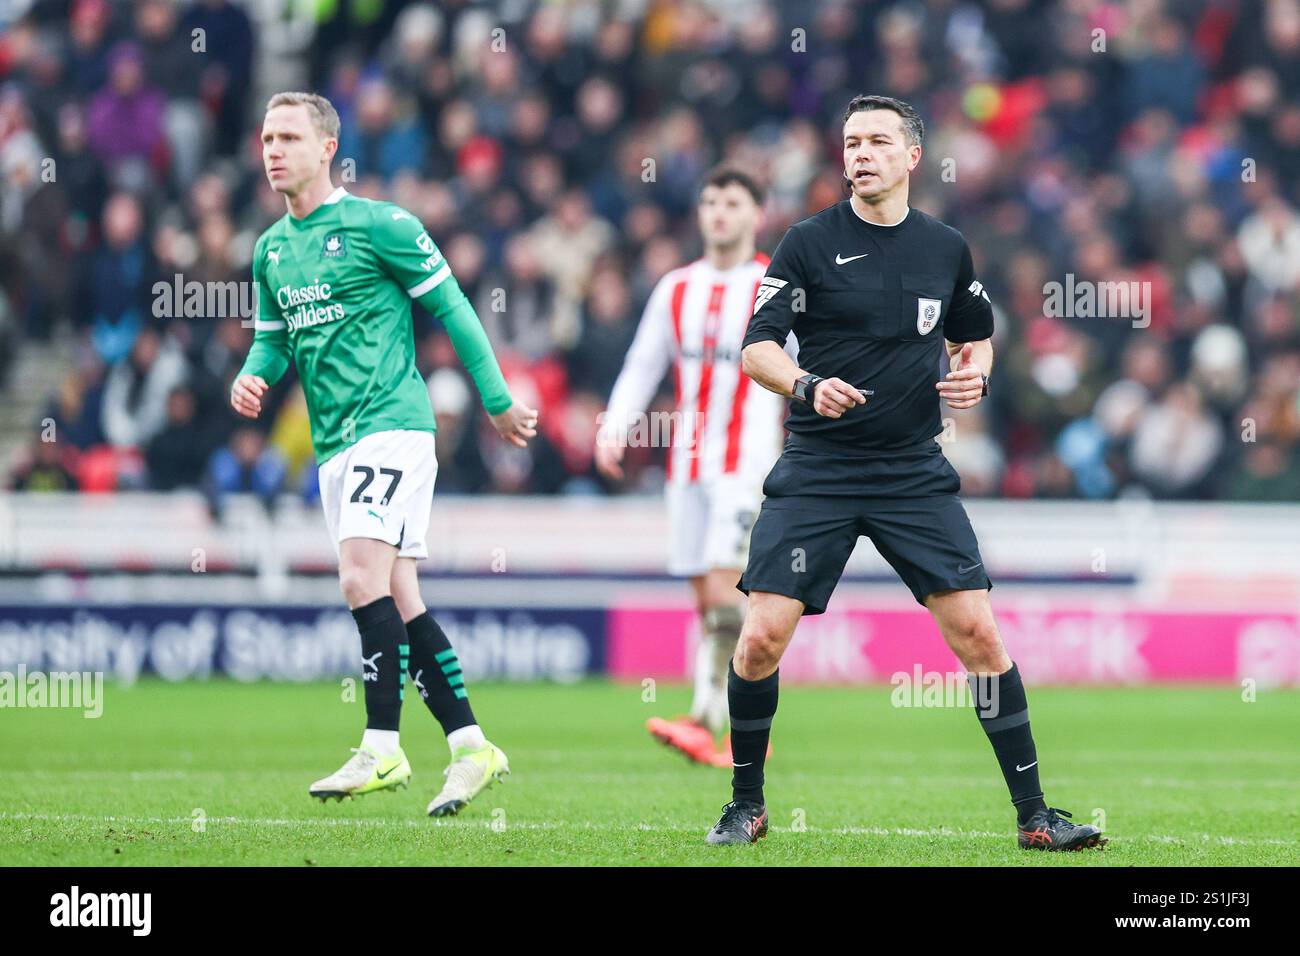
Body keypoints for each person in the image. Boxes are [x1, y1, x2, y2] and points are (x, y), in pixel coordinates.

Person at [704, 95, 1105, 852]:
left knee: (979, 635)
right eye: (852, 142)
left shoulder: (945, 248)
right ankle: (746, 804)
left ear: (912, 156)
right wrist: (803, 385)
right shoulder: (806, 243)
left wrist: (974, 375)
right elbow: (757, 346)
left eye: (878, 141)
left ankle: (1034, 816)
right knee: (759, 639)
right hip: (819, 467)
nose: (861, 153)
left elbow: (975, 340)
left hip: (911, 470)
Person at [230, 92, 538, 816]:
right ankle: (470, 747)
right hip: (335, 444)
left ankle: (382, 746)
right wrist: (253, 374)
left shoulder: (380, 225)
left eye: (289, 137)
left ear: (328, 148)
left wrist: (494, 398)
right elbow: (275, 340)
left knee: (355, 576)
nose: (273, 150)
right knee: (399, 596)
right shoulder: (270, 249)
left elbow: (453, 304)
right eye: (266, 138)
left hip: (392, 425)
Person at [596, 166, 792, 765]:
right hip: (686, 465)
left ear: (757, 215)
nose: (719, 213)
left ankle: (706, 718)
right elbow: (642, 363)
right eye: (710, 202)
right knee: (707, 600)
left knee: (724, 586)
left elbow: (802, 367)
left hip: (747, 462)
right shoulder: (676, 287)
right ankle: (734, 721)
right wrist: (615, 426)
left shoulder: (774, 285)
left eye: (732, 203)